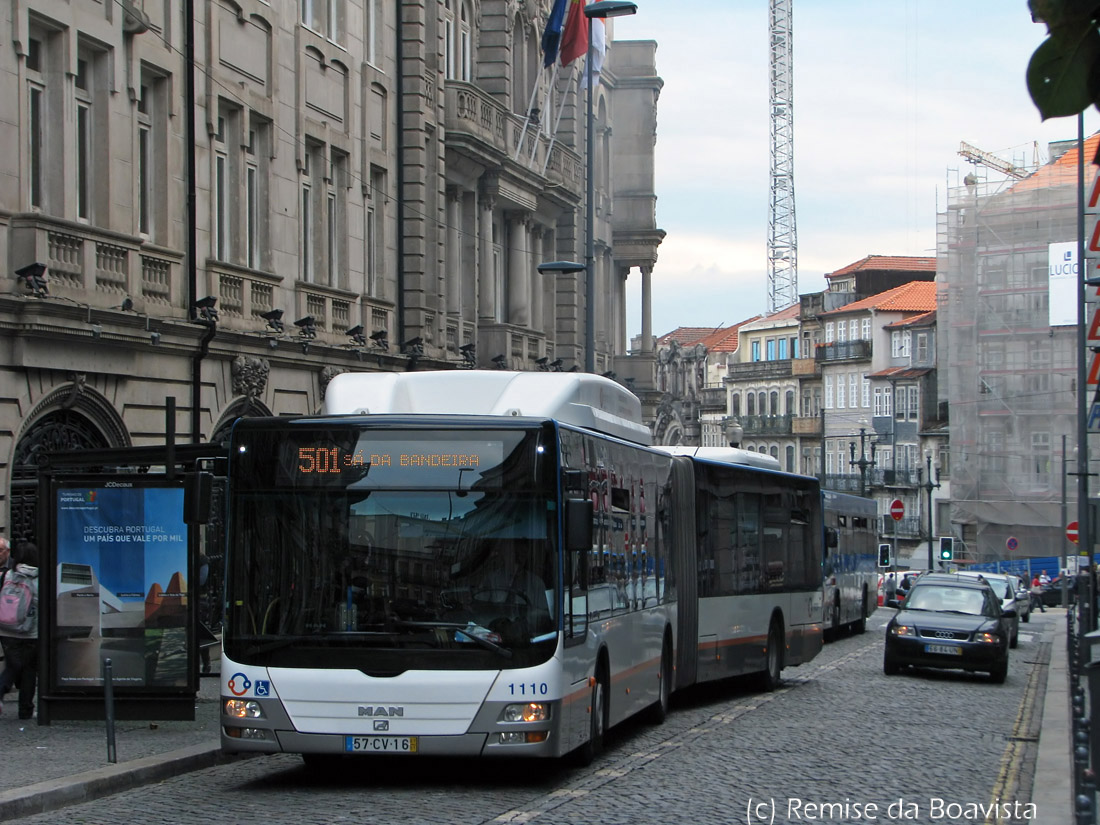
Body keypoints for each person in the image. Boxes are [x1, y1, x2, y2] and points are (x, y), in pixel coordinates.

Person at [0, 540, 39, 718]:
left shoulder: (7, 575)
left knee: (12, 666)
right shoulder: (39, 577)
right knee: (29, 670)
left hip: (6, 629)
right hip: (30, 631)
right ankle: (25, 710)